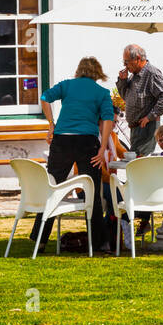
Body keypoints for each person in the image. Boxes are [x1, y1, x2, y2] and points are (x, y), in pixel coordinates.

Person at [30, 56, 115, 254]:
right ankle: (100, 244)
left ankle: (40, 240)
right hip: (87, 141)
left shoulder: (67, 85)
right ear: (97, 73)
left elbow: (44, 98)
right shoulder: (102, 92)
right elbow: (108, 120)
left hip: (62, 140)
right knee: (92, 191)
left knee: (52, 188)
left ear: (79, 70)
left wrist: (51, 124)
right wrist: (103, 148)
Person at [117, 44, 163, 236]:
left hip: (147, 130)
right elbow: (127, 97)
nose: (125, 64)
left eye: (127, 61)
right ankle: (142, 217)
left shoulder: (151, 73)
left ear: (138, 59)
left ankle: (143, 217)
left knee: (141, 171)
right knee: (137, 173)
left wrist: (150, 116)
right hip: (136, 131)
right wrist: (122, 81)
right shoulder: (134, 75)